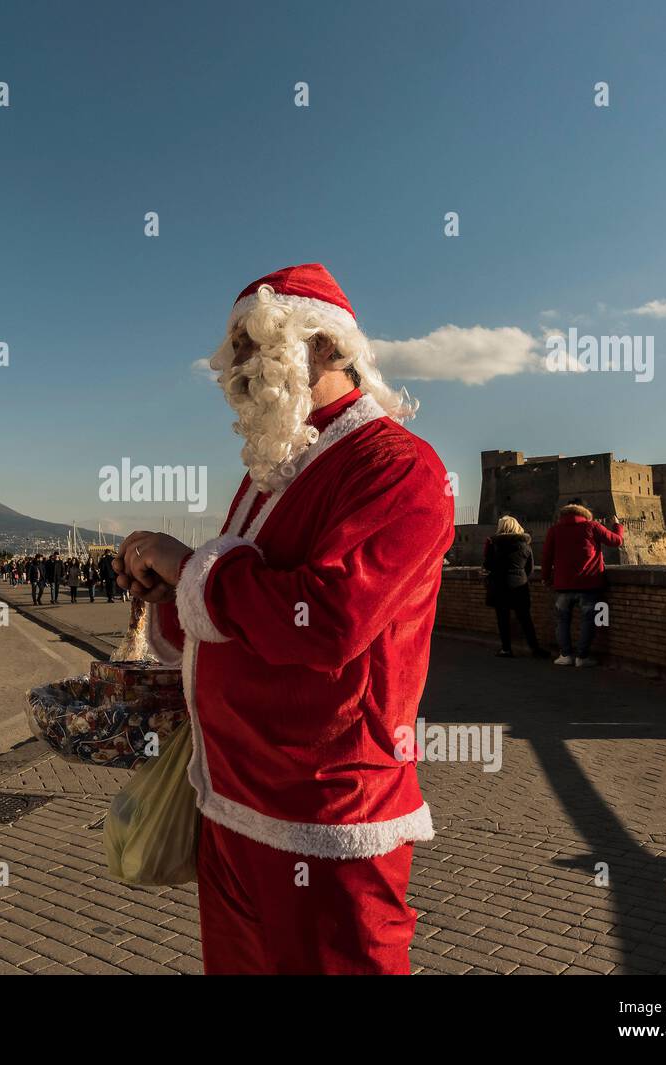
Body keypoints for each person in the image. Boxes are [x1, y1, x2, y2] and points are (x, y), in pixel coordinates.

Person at [114, 264, 453, 975]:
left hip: (327, 822)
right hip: (232, 806)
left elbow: (327, 619)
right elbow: (228, 618)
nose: (236, 368)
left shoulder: (396, 465)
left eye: (254, 347)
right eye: (234, 349)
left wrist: (189, 566)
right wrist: (163, 591)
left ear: (326, 348)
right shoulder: (274, 467)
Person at [541, 499, 624, 667]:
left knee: (562, 621)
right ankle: (582, 657)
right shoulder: (592, 527)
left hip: (563, 586)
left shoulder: (554, 530)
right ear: (584, 514)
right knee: (589, 620)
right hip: (589, 584)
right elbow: (616, 541)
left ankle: (565, 655)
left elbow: (546, 557)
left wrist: (545, 578)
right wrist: (617, 526)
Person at [482, 516, 546, 658]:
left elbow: (488, 565)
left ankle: (506, 649)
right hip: (519, 585)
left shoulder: (494, 544)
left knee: (503, 619)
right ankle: (535, 648)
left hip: (499, 585)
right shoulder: (525, 545)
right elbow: (530, 568)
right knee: (525, 618)